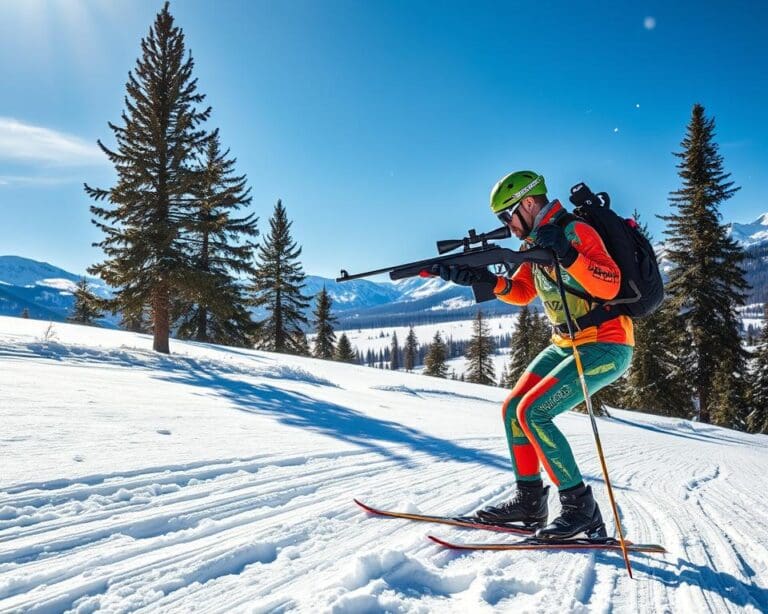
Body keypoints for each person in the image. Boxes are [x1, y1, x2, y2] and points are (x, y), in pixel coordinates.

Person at [436, 170, 634, 540]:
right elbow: (523, 291)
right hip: (565, 343)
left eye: (506, 215)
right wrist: (477, 279)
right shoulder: (533, 243)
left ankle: (581, 509)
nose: (506, 225)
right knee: (513, 410)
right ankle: (530, 504)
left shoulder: (574, 231)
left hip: (606, 342)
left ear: (528, 203)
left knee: (534, 412)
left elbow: (610, 284)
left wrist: (567, 252)